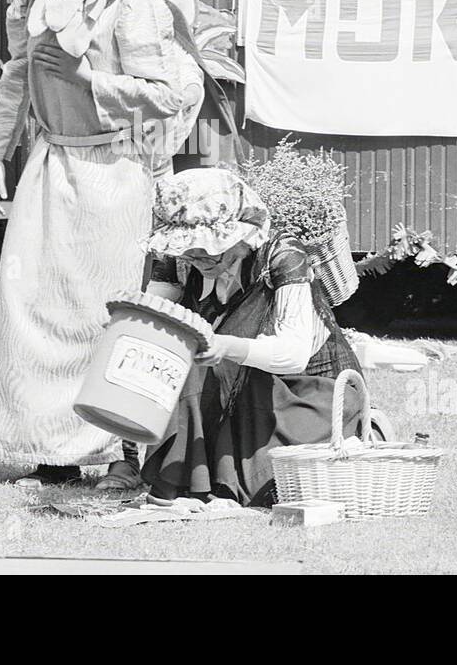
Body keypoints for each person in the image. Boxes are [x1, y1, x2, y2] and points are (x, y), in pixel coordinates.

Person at [0, 0, 188, 487]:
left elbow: (164, 95)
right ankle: (52, 453)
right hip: (49, 167)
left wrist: (89, 79)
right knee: (35, 305)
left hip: (112, 173)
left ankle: (119, 450)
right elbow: (16, 78)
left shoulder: (135, 7)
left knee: (103, 308)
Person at [137, 168, 383, 506]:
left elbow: (292, 354)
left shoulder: (283, 255)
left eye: (208, 249)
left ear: (239, 235)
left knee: (267, 477)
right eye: (188, 250)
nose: (198, 258)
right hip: (232, 388)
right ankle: (182, 478)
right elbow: (153, 317)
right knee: (185, 361)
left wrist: (224, 346)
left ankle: (361, 433)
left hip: (304, 392)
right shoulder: (178, 260)